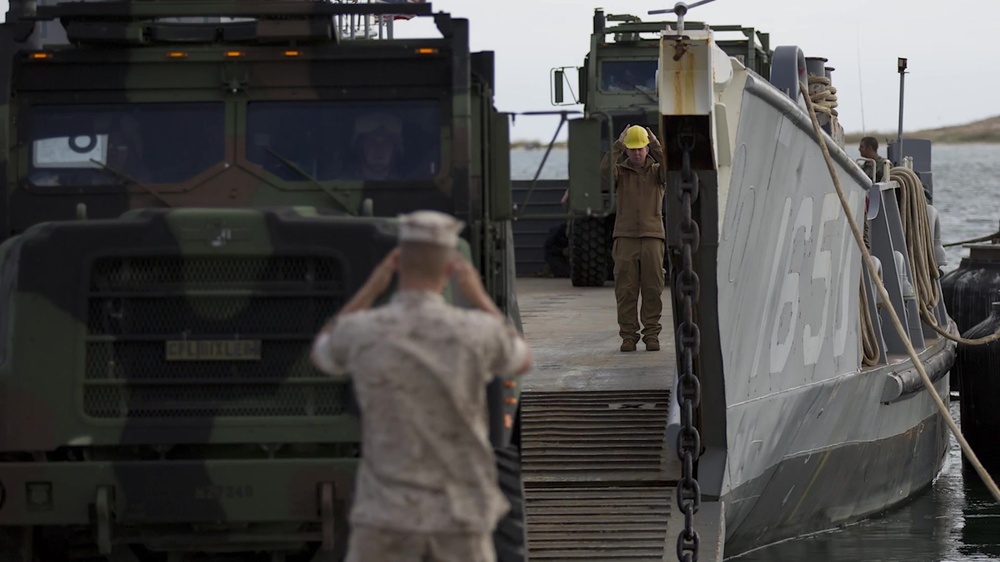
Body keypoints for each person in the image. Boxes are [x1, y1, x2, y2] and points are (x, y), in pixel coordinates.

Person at [310, 210, 533, 562]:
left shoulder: (363, 331)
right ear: (450, 270)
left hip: (385, 518)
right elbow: (521, 361)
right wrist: (479, 297)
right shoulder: (476, 332)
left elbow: (323, 353)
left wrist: (370, 290)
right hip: (459, 516)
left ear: (396, 264)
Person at [603, 124, 666, 352]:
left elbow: (675, 169)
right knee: (626, 290)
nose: (636, 153)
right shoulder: (619, 172)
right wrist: (616, 146)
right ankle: (628, 336)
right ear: (626, 151)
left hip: (652, 237)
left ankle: (652, 335)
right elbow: (602, 175)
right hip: (625, 237)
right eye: (632, 149)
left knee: (653, 289)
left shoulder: (658, 172)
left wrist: (658, 145)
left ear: (647, 149)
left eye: (640, 149)